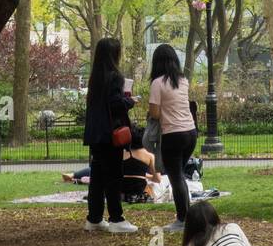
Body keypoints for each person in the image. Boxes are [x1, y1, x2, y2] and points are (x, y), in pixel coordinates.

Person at [84, 36, 138, 233]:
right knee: (114, 176)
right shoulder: (115, 77)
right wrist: (131, 101)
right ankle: (116, 218)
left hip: (95, 134)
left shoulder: (95, 78)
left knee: (97, 177)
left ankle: (94, 217)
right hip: (110, 134)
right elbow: (115, 104)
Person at [148, 43, 197, 232]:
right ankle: (188, 217)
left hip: (173, 134)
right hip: (190, 132)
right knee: (180, 176)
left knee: (176, 177)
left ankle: (183, 219)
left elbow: (155, 113)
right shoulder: (183, 80)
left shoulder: (158, 83)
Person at [122, 127, 162, 202]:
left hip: (122, 190)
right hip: (140, 191)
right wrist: (146, 176)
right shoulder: (150, 155)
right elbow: (158, 179)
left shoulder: (121, 153)